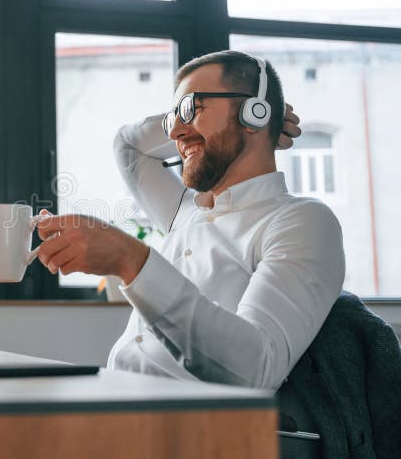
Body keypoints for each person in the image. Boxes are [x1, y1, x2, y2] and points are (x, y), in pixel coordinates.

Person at [35, 50, 345, 390]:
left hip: (186, 430)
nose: (176, 134)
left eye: (192, 109)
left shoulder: (300, 222)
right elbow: (128, 144)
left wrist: (132, 260)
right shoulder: (185, 212)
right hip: (112, 401)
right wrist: (218, 116)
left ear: (254, 113)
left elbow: (257, 368)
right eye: (172, 119)